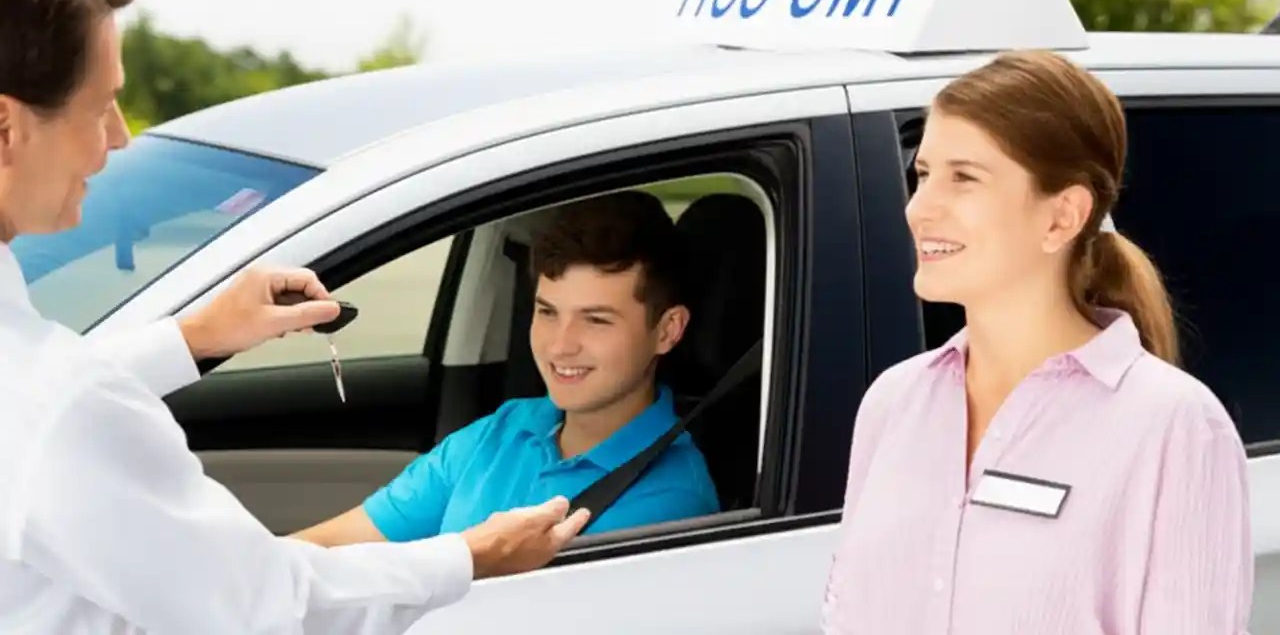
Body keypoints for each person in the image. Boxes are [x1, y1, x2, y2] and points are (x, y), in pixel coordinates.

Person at [0, 0, 588, 633]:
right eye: (100, 107)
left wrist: (193, 336)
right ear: (7, 129)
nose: (121, 136)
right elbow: (269, 608)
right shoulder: (60, 407)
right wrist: (471, 557)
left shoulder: (42, 392)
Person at [819, 50, 1252, 634]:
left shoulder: (1173, 426)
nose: (920, 208)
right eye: (923, 175)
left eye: (964, 178)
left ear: (1062, 217)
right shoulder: (893, 404)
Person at [291, 191, 720, 547]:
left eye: (596, 320)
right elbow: (336, 544)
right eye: (547, 312)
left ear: (668, 330)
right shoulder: (507, 428)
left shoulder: (669, 499)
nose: (560, 344)